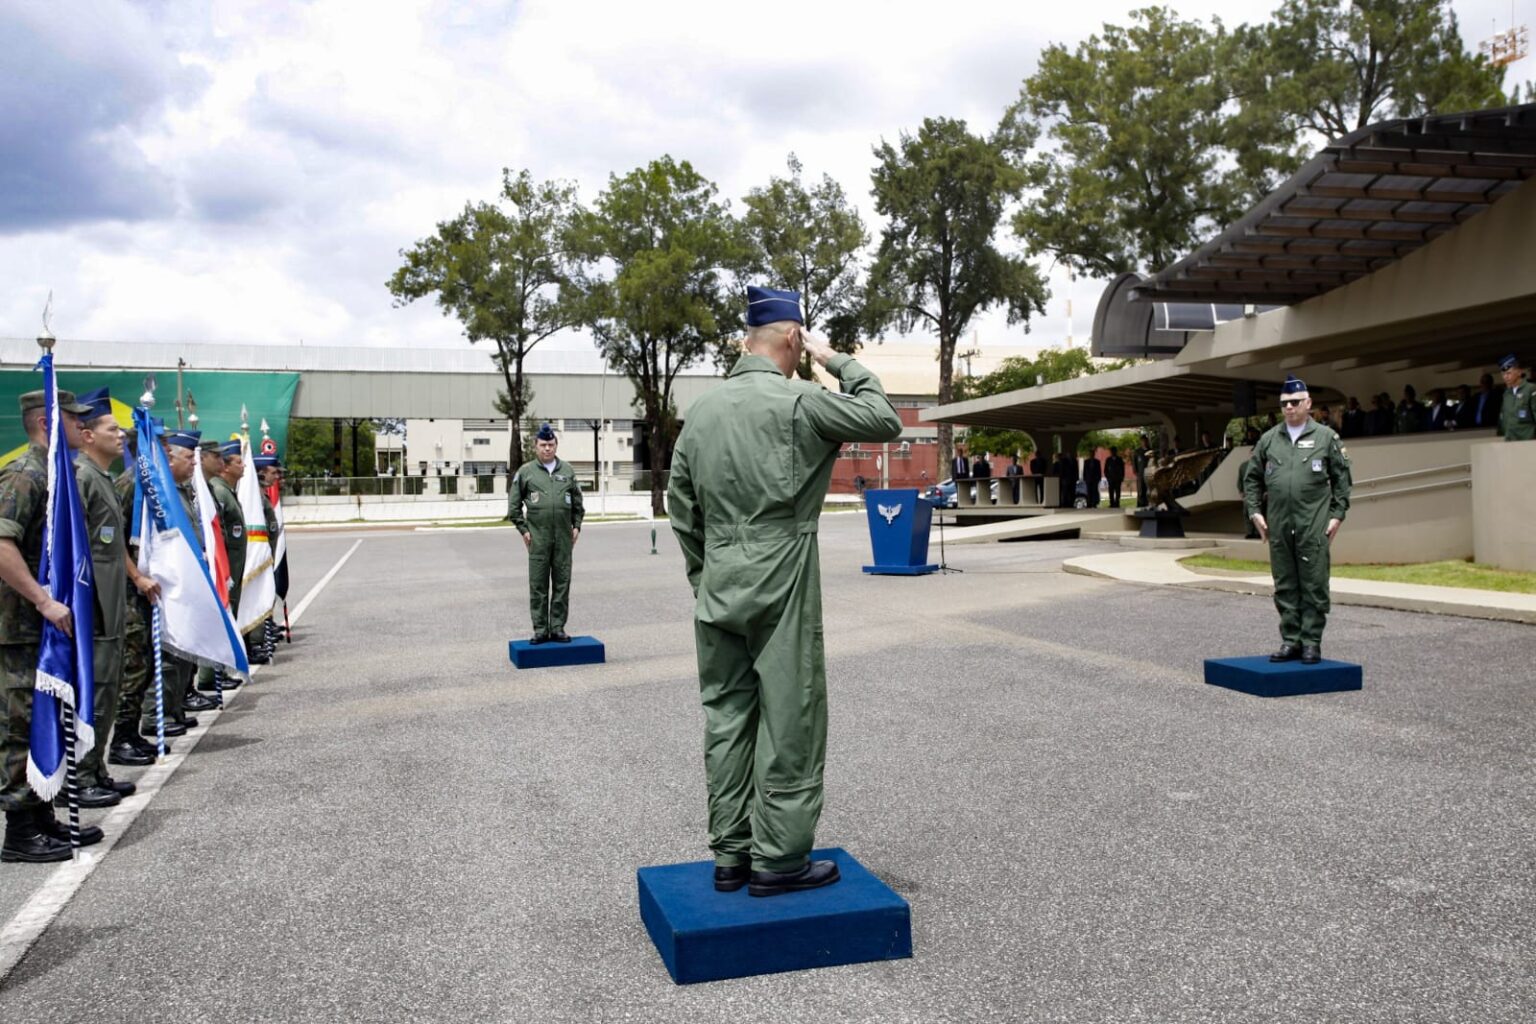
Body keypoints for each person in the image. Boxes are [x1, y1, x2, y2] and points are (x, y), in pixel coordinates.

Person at [667, 285, 901, 898]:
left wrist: (706, 577)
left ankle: (730, 854)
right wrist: (835, 359)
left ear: (747, 340)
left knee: (727, 715)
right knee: (791, 712)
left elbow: (680, 508)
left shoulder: (702, 413)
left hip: (719, 577)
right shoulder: (802, 401)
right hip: (783, 571)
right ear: (794, 338)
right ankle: (778, 857)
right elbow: (884, 418)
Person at [1, 388, 101, 863]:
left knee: (44, 719)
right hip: (19, 628)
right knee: (19, 723)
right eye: (73, 418)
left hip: (42, 628)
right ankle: (20, 831)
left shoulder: (56, 473)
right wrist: (43, 601)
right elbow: (2, 544)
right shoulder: (25, 473)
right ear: (46, 423)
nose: (83, 426)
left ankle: (41, 815)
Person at [72, 390, 158, 805]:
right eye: (112, 429)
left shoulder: (101, 478)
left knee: (108, 688)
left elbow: (116, 542)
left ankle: (96, 770)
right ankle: (80, 777)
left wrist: (135, 574)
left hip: (112, 604)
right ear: (88, 435)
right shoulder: (82, 477)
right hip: (93, 607)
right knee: (94, 690)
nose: (121, 435)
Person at [1243, 376, 1352, 664]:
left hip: (1312, 522)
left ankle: (1311, 641)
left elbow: (1342, 479)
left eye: (1294, 402)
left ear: (1308, 403)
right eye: (1284, 404)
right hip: (1279, 523)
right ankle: (1291, 640)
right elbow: (1252, 478)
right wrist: (1255, 511)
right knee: (1285, 583)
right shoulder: (1269, 440)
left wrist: (1337, 515)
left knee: (1314, 582)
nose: (1289, 408)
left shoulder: (1326, 438)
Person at [509, 423, 583, 643]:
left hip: (563, 540)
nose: (547, 448)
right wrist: (524, 530)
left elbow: (578, 503)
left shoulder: (567, 471)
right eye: (543, 445)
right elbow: (513, 507)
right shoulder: (526, 472)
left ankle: (557, 627)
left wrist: (577, 526)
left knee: (562, 584)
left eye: (551, 444)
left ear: (556, 445)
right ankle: (541, 629)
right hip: (538, 539)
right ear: (536, 446)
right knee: (538, 586)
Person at [1498, 354, 1536, 440]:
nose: (1505, 377)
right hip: (1509, 441)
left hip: (1527, 441)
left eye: (1508, 373)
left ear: (1519, 372)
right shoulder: (1506, 394)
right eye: (1503, 374)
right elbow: (1502, 419)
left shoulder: (1531, 389)